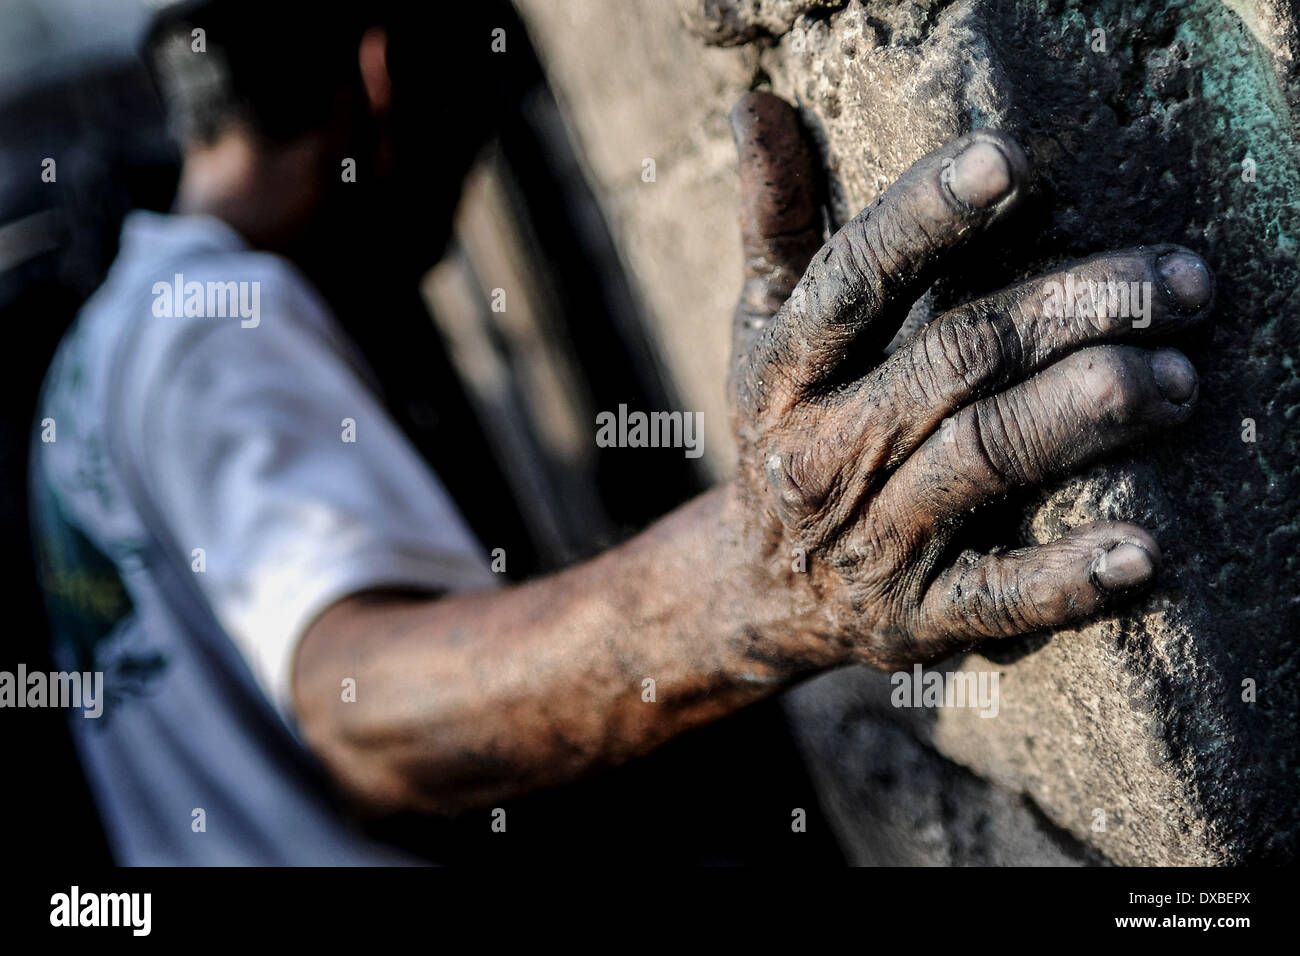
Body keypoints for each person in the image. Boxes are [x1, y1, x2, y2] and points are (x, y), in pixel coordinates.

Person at [30, 0, 1214, 864]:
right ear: (387, 78)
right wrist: (762, 580)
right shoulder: (223, 330)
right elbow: (363, 714)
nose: (448, 212)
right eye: (471, 132)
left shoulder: (101, 353)